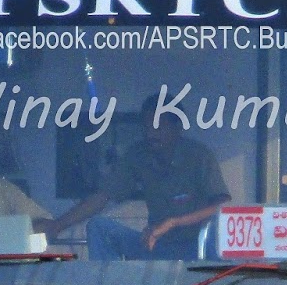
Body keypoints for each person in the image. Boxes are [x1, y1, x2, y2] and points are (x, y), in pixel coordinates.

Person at [42, 95, 230, 260]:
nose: (150, 133)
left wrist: (173, 222)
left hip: (195, 250)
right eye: (146, 127)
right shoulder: (138, 154)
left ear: (177, 127)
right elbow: (103, 196)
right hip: (155, 246)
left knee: (215, 240)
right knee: (98, 227)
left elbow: (222, 207)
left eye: (158, 127)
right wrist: (58, 225)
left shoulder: (199, 156)